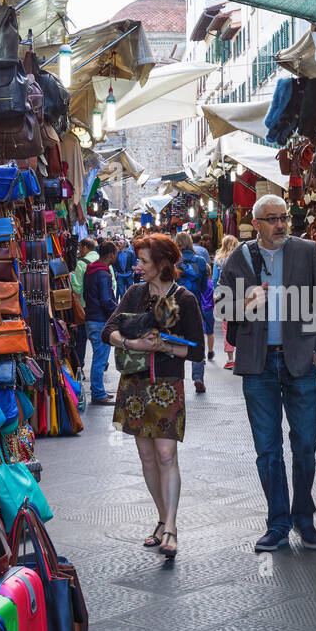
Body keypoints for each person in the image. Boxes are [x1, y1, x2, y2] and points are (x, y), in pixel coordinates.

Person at [218, 193, 316, 552]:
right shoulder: (239, 258)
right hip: (258, 364)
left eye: (284, 217)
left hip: (300, 360)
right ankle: (278, 523)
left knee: (305, 445)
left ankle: (304, 516)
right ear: (257, 224)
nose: (281, 224)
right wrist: (248, 302)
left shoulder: (306, 251)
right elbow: (223, 308)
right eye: (272, 219)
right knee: (268, 449)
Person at [102, 235, 205, 558]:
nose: (138, 266)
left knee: (165, 455)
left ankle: (171, 527)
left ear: (162, 264)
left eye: (144, 261)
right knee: (147, 457)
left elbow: (197, 349)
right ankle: (161, 518)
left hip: (166, 384)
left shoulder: (184, 299)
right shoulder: (134, 294)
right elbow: (109, 330)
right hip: (134, 384)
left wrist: (163, 347)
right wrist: (132, 344)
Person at [175, 232, 213, 393]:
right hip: (194, 304)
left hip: (175, 305)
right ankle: (198, 377)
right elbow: (204, 286)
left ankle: (177, 378)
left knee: (176, 340)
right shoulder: (200, 261)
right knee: (196, 340)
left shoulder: (174, 262)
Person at [83, 240, 120, 406]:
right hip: (99, 321)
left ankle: (99, 391)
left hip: (90, 317)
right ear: (111, 254)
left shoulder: (91, 270)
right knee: (100, 359)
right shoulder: (103, 274)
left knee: (99, 358)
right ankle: (98, 394)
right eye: (116, 253)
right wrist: (119, 312)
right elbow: (106, 300)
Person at [70, 237, 99, 371]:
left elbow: (77, 288)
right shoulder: (103, 261)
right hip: (99, 308)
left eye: (80, 248)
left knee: (81, 339)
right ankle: (101, 364)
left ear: (85, 248)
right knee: (98, 340)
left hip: (84, 307)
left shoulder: (82, 263)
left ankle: (80, 366)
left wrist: (72, 279)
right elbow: (113, 283)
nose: (79, 251)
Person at [213, 234, 240, 370]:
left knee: (226, 328)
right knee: (241, 325)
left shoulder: (219, 260)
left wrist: (216, 295)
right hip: (240, 295)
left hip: (224, 295)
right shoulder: (242, 258)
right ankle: (241, 357)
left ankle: (230, 359)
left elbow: (215, 280)